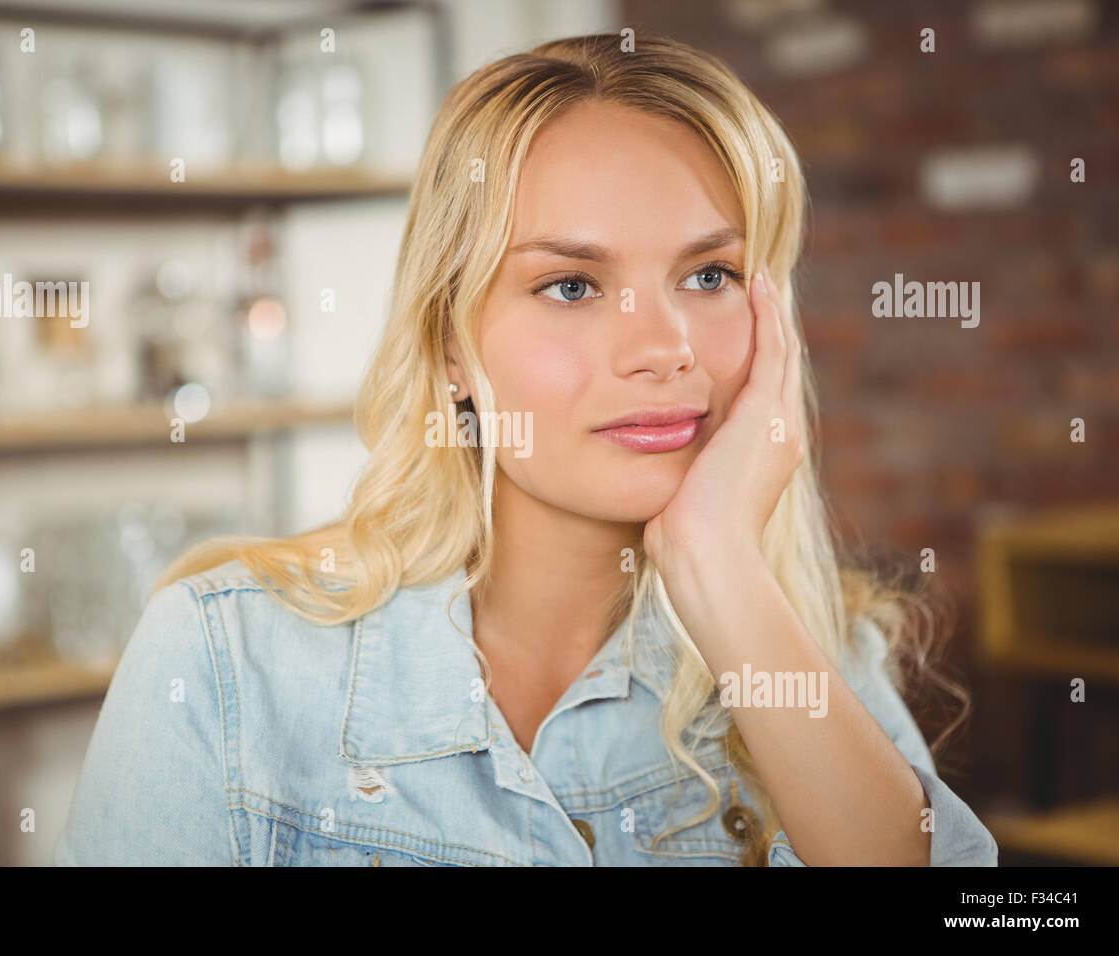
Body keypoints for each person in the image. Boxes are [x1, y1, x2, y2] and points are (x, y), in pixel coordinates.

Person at [55, 31, 998, 866]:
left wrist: (718, 566)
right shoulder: (225, 660)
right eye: (573, 287)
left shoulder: (807, 650)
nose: (663, 347)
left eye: (710, 274)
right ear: (452, 346)